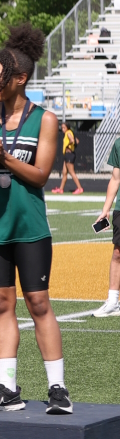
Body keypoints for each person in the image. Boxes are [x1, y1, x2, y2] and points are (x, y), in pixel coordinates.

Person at [0, 24, 72, 415]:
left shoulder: (44, 120)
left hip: (29, 227)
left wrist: (6, 159)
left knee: (38, 302)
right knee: (0, 302)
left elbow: (42, 174)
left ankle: (58, 388)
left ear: (20, 78)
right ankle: (7, 389)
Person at [93, 135, 120, 318]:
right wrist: (106, 209)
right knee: (118, 253)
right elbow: (116, 178)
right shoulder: (119, 143)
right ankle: (113, 301)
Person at [52, 122, 83, 194]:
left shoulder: (68, 133)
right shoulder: (70, 132)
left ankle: (80, 188)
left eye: (64, 128)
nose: (62, 129)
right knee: (64, 172)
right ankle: (61, 189)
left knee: (72, 172)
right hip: (67, 155)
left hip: (69, 154)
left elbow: (72, 140)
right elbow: (77, 141)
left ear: (67, 127)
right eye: (62, 128)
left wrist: (68, 146)